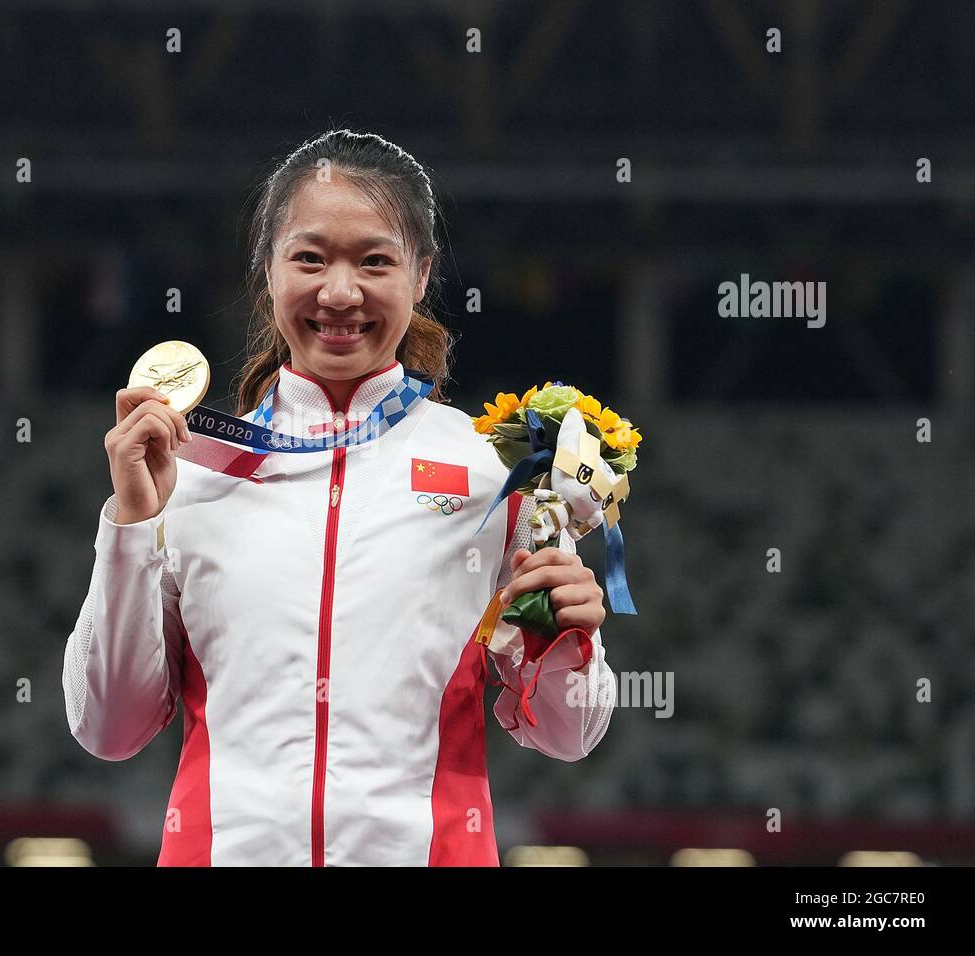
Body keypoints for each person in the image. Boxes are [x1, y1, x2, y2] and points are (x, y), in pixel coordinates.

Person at [62, 129, 617, 866]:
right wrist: (133, 528)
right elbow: (108, 729)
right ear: (268, 270)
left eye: (375, 261)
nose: (340, 293)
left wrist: (565, 640)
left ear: (421, 275)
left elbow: (567, 736)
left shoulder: (497, 472)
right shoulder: (193, 472)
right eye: (310, 257)